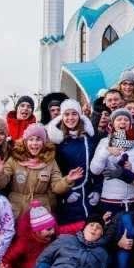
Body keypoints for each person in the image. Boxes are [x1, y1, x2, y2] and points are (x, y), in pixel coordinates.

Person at [47, 99, 101, 234]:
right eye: (66, 114)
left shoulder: (89, 138)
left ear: (80, 115)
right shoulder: (58, 142)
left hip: (88, 196)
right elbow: (54, 173)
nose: (70, 118)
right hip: (69, 199)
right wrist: (67, 193)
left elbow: (97, 167)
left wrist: (97, 190)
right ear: (62, 116)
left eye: (74, 114)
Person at [0, 123, 62, 218]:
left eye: (38, 139)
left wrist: (67, 181)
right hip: (16, 210)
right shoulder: (14, 159)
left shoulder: (50, 161)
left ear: (44, 142)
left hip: (40, 211)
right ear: (25, 142)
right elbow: (0, 184)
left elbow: (57, 186)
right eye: (31, 139)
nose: (34, 143)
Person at [90, 108, 134, 214]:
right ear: (112, 124)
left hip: (133, 199)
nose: (123, 122)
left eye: (126, 120)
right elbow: (95, 170)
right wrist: (106, 152)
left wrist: (132, 168)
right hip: (110, 199)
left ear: (130, 124)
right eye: (119, 119)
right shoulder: (105, 142)